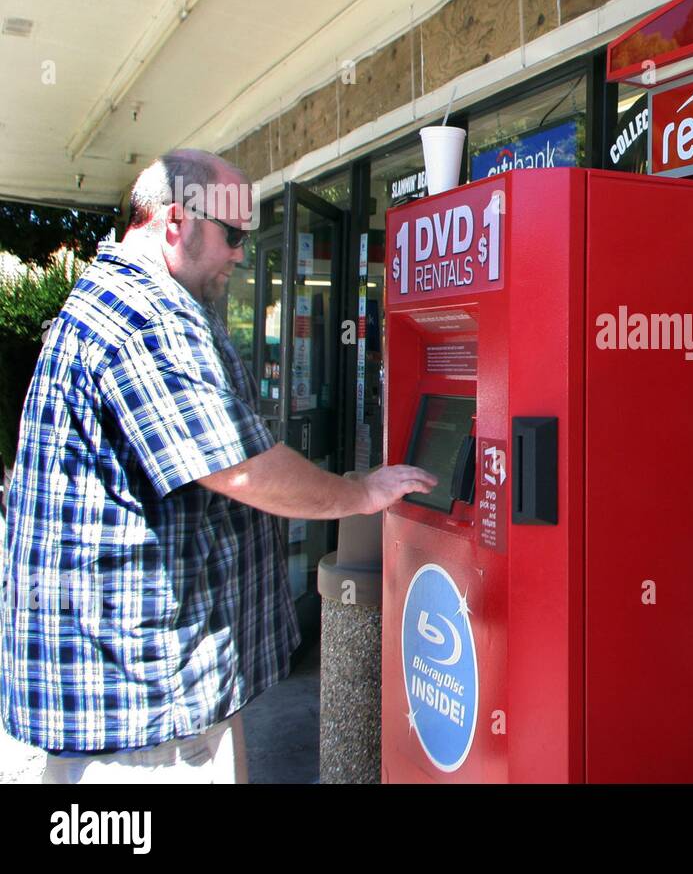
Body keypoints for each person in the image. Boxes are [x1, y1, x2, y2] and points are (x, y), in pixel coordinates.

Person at [0, 150, 436, 784]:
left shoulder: (111, 299)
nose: (240, 254)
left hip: (116, 690)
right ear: (176, 220)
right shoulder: (147, 317)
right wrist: (360, 491)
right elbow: (240, 468)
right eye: (233, 234)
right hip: (143, 708)